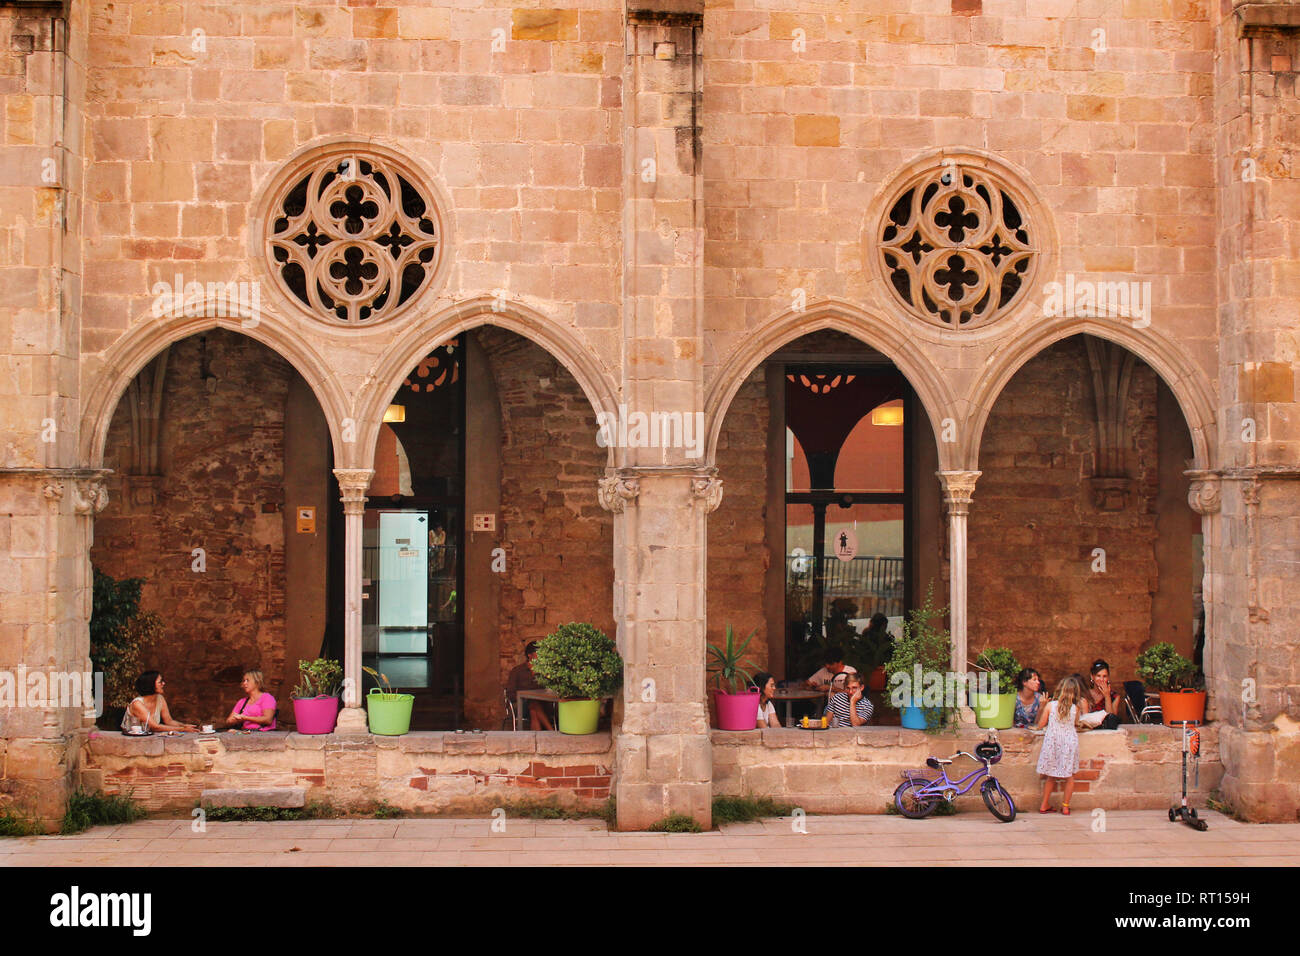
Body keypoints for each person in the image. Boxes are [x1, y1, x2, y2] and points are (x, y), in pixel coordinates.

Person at [1035, 675, 1084, 814]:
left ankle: (1044, 804)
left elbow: (1040, 725)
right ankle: (1065, 806)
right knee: (1069, 777)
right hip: (1069, 742)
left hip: (1053, 742)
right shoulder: (1076, 708)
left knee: (1051, 776)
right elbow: (1076, 723)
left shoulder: (1051, 705)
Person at [121, 671, 200, 735]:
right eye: (160, 682)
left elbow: (169, 721)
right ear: (151, 685)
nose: (163, 684)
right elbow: (154, 727)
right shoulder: (137, 704)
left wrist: (184, 725)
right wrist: (183, 729)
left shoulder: (160, 699)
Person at [506, 641, 554, 731]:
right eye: (539, 653)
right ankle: (551, 730)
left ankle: (538, 738)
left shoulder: (545, 671)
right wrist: (524, 696)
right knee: (533, 704)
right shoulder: (517, 671)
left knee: (533, 708)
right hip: (521, 705)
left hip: (544, 704)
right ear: (529, 655)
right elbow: (510, 693)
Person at [1085, 659, 1123, 729]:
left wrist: (1107, 696)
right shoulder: (1085, 695)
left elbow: (1112, 720)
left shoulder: (1114, 696)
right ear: (1092, 677)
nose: (1101, 679)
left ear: (1108, 677)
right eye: (1098, 676)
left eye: (1104, 676)